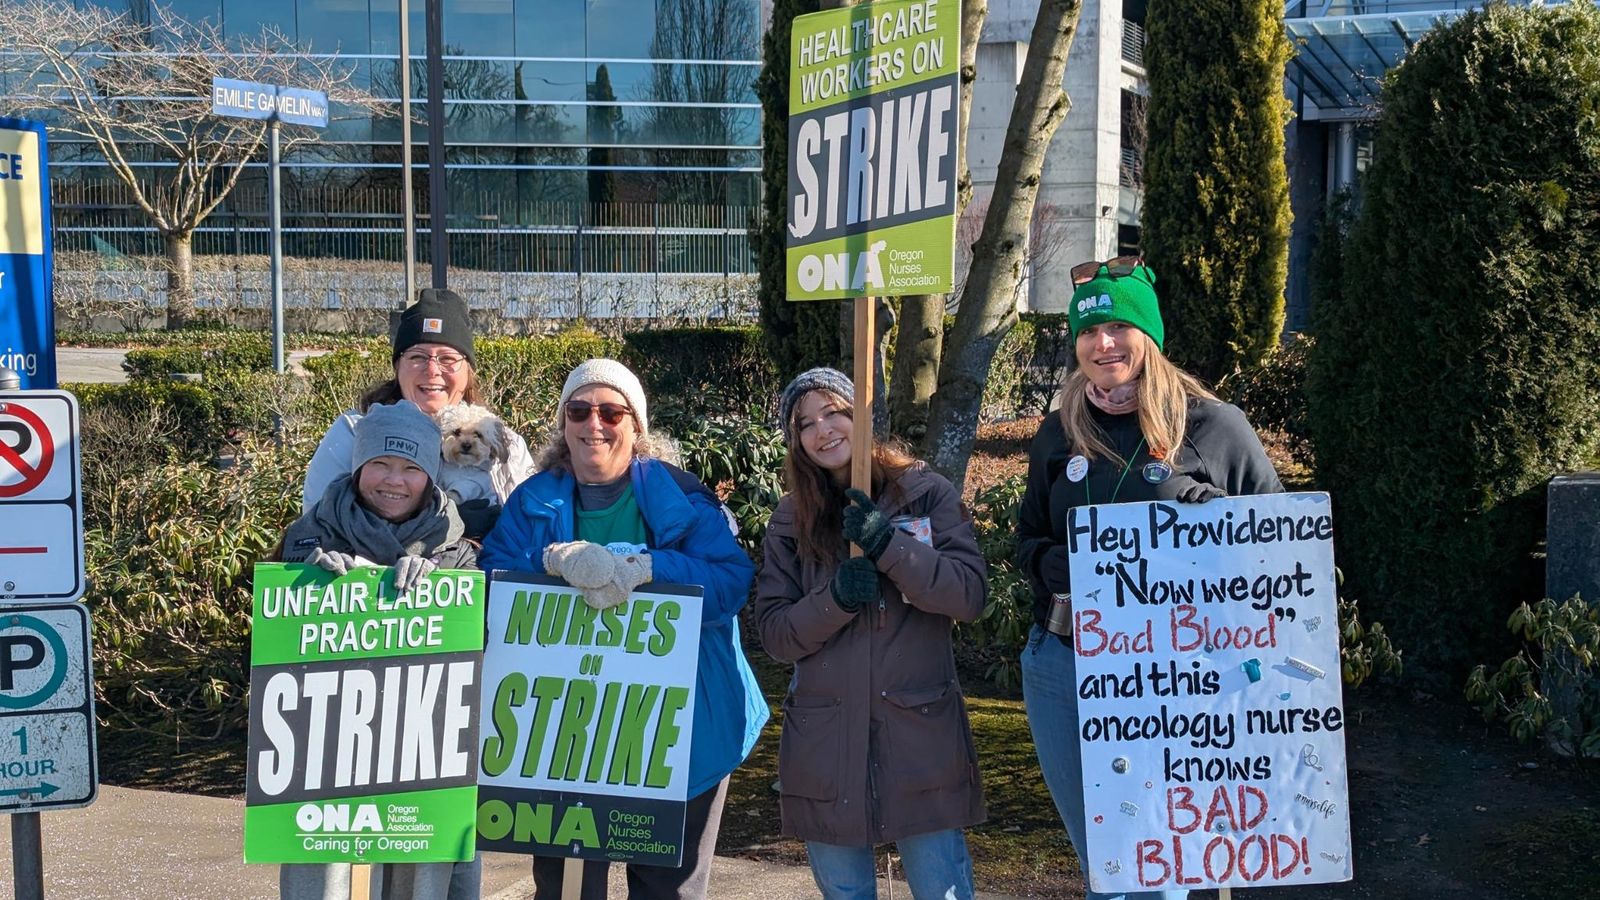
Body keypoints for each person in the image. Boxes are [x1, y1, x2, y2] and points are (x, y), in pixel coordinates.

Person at [1015, 257, 1283, 900]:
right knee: (1106, 866)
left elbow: (1278, 547)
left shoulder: (1214, 425)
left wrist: (1212, 521)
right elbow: (1027, 540)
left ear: (1149, 335)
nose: (1102, 343)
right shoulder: (1059, 433)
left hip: (1177, 673)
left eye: (1117, 327)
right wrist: (1046, 562)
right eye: (1087, 331)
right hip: (1065, 662)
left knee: (1158, 865)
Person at [479, 358, 769, 900]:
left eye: (612, 411)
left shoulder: (684, 496)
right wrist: (549, 560)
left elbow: (731, 582)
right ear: (563, 425)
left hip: (681, 735)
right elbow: (490, 583)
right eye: (580, 410)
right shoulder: (531, 501)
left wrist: (654, 567)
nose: (595, 424)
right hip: (561, 735)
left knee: (668, 892)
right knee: (566, 890)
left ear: (636, 426)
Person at [755, 368, 988, 900]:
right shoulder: (791, 519)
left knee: (942, 889)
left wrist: (890, 547)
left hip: (919, 738)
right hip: (826, 747)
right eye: (805, 423)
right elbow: (776, 635)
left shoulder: (925, 493)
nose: (824, 430)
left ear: (862, 417)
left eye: (834, 411)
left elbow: (968, 595)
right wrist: (833, 600)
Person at [275, 400, 481, 900]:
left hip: (421, 754)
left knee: (420, 884)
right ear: (359, 466)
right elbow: (267, 657)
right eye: (380, 464)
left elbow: (480, 652)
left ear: (430, 476)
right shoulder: (309, 535)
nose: (394, 480)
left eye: (411, 467)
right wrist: (308, 586)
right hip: (327, 760)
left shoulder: (457, 549)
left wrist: (446, 591)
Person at [303, 287, 536, 535]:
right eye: (417, 357)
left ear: (468, 371)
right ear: (397, 367)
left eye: (447, 359)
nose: (432, 370)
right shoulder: (353, 432)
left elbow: (531, 529)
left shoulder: (507, 444)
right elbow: (316, 526)